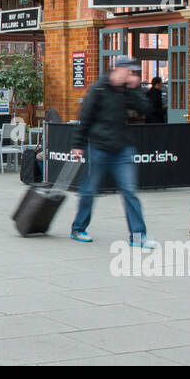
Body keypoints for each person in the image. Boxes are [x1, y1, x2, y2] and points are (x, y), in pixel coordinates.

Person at [68, 56, 157, 249]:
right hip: (99, 147)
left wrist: (135, 89)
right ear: (118, 69)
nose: (130, 75)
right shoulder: (99, 89)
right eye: (129, 71)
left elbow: (145, 109)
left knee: (129, 191)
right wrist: (78, 145)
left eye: (133, 72)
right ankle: (78, 228)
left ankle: (138, 236)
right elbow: (85, 117)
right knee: (89, 190)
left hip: (122, 149)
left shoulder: (127, 91)